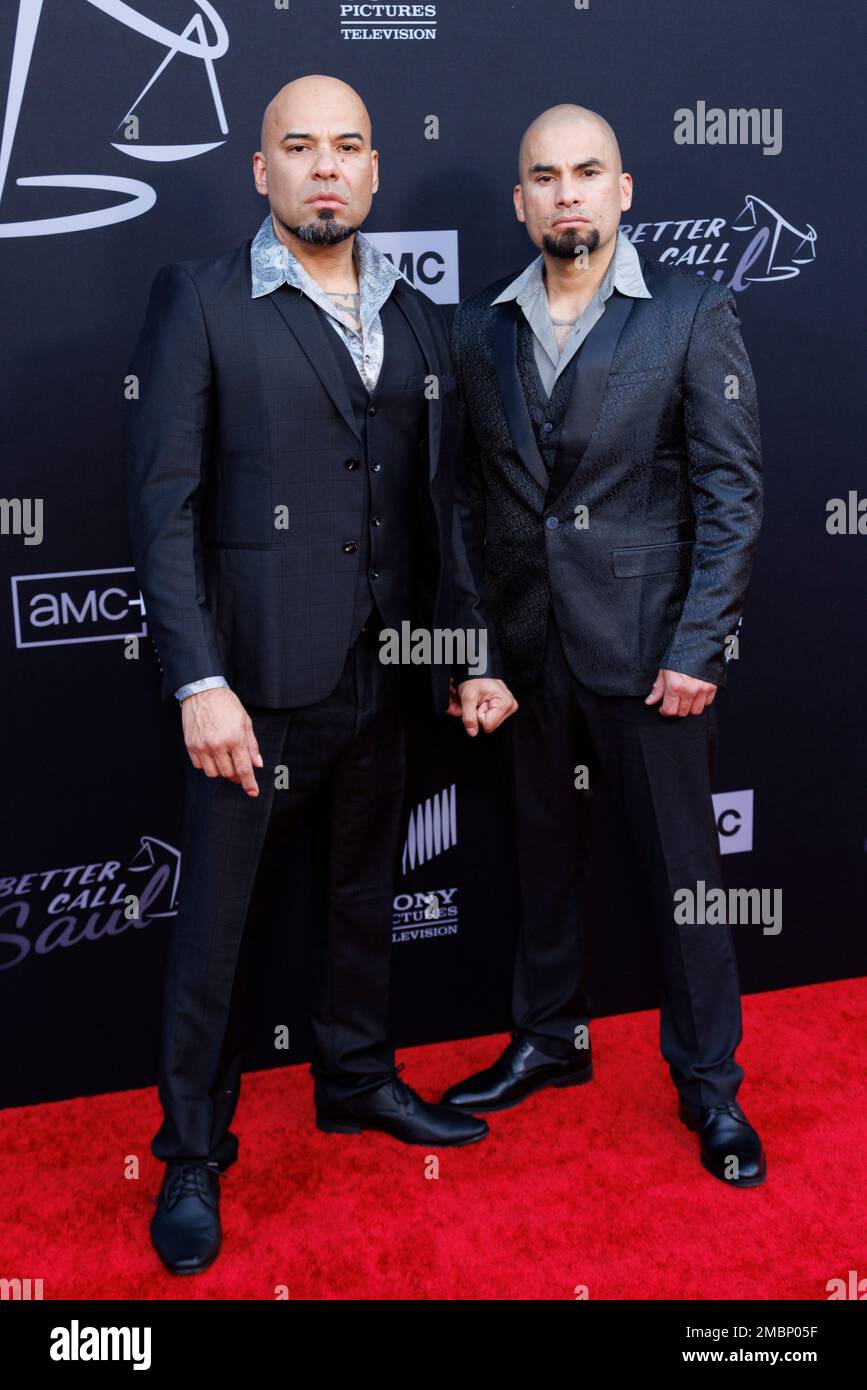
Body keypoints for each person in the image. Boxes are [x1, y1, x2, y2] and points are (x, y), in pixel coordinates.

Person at [126, 74, 516, 1275]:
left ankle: (353, 1078)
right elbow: (164, 506)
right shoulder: (202, 300)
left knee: (360, 895)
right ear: (263, 171)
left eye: (347, 146)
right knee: (220, 929)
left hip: (384, 671)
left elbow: (445, 504)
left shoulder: (419, 315)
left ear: (374, 169)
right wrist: (197, 680)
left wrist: (465, 651)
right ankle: (193, 1148)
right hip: (251, 684)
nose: (326, 166)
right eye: (299, 147)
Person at [442, 104, 766, 1188]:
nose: (567, 191)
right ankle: (549, 1040)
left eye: (588, 172)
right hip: (529, 657)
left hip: (651, 656)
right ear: (522, 200)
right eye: (546, 175)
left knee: (684, 882)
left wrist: (700, 645)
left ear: (622, 191)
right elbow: (464, 508)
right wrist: (476, 654)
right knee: (542, 867)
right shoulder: (479, 331)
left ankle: (709, 1085)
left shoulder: (691, 311)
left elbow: (731, 493)